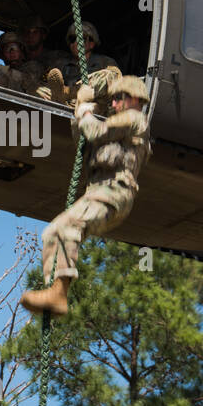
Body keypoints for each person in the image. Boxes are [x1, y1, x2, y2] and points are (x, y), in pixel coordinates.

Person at [21, 75, 152, 316]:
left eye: (118, 99)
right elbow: (83, 141)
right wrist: (78, 116)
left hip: (115, 191)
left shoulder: (135, 118)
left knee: (70, 226)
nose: (113, 105)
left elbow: (95, 131)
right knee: (53, 230)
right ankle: (55, 289)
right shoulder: (119, 127)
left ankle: (59, 291)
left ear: (134, 98)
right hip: (100, 193)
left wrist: (84, 110)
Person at [37, 21, 120, 104]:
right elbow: (43, 81)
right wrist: (42, 90)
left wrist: (70, 91)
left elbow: (116, 81)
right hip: (65, 107)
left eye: (81, 38)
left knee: (107, 76)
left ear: (92, 43)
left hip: (95, 108)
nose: (76, 42)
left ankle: (66, 93)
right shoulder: (59, 64)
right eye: (72, 39)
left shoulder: (105, 62)